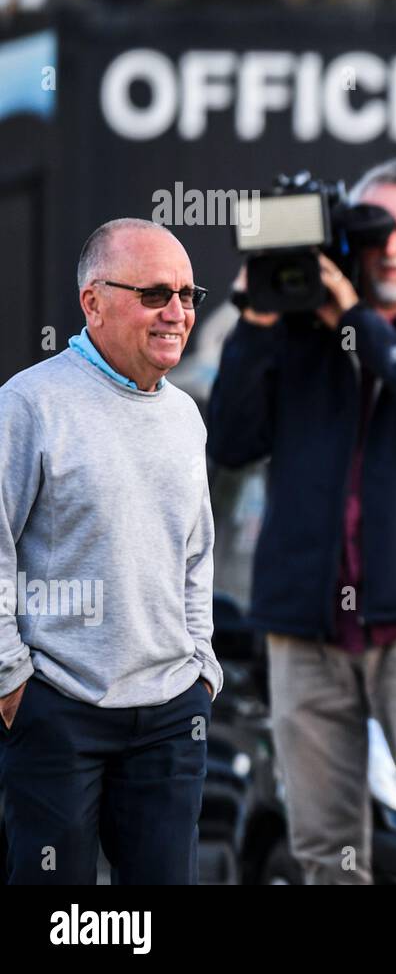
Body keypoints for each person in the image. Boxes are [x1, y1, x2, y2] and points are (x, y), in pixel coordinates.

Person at [206, 158, 396, 885]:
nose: (390, 247)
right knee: (324, 856)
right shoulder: (296, 341)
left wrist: (356, 322)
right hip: (305, 629)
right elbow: (229, 440)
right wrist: (255, 318)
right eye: (373, 230)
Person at [0, 218, 220, 885]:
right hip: (58, 707)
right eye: (155, 293)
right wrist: (12, 679)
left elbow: (196, 555)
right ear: (92, 302)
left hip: (171, 713)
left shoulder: (185, 414)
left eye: (187, 294)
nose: (177, 312)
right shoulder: (30, 403)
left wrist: (201, 667)